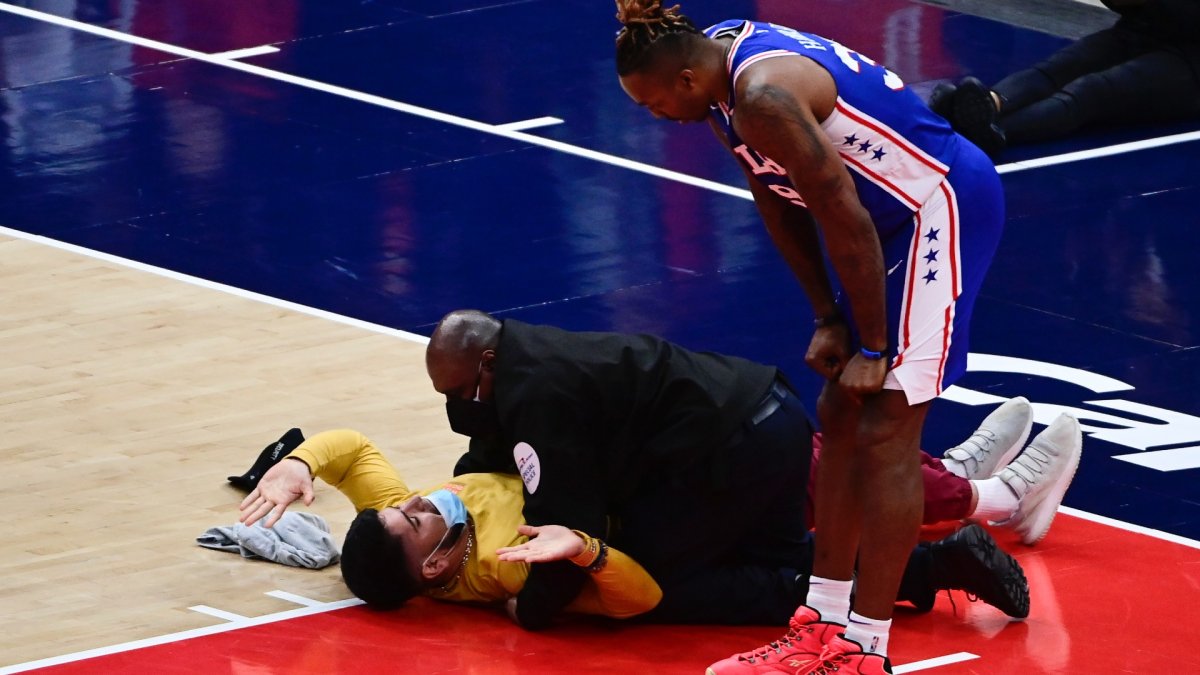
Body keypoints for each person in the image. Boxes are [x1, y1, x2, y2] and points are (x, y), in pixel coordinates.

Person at [611, 3, 1008, 672]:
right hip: (879, 225)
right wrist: (826, 313)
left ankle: (864, 648)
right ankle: (819, 622)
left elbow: (841, 212)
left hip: (934, 212)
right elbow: (774, 193)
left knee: (887, 425)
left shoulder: (762, 96)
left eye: (653, 104)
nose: (654, 117)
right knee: (839, 412)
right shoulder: (714, 73)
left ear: (682, 79)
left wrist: (876, 350)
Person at [235, 419, 1050, 626]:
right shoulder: (501, 566)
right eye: (413, 520)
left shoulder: (425, 523)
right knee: (781, 576)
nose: (415, 500)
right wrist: (586, 550)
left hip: (640, 480)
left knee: (814, 460)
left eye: (403, 503)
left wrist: (300, 463)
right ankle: (976, 516)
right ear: (438, 568)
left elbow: (356, 452)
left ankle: (960, 478)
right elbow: (638, 597)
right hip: (655, 535)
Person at [930, 0, 1200, 158]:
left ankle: (991, 133)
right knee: (1058, 67)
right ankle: (990, 103)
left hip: (1190, 60)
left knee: (1090, 91)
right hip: (1145, 32)